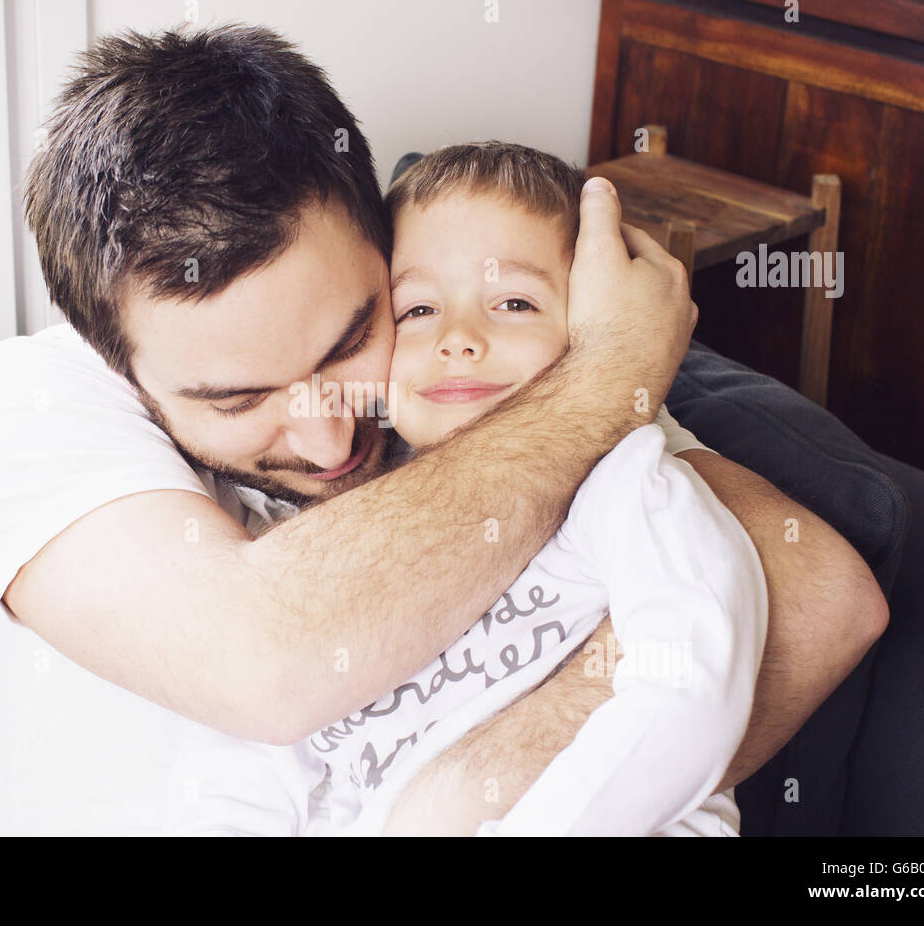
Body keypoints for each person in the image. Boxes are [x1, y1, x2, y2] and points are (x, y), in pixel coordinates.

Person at [0, 25, 887, 835]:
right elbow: (271, 665)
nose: (328, 439)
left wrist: (461, 795)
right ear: (116, 362)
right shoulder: (23, 405)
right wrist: (611, 373)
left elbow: (823, 597)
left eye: (351, 338)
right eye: (236, 399)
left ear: (381, 243)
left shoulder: (473, 376)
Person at [303, 141, 767, 837]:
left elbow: (694, 685)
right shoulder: (358, 511)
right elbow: (328, 764)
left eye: (514, 302)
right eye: (418, 310)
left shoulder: (628, 486)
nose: (459, 337)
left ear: (594, 327)